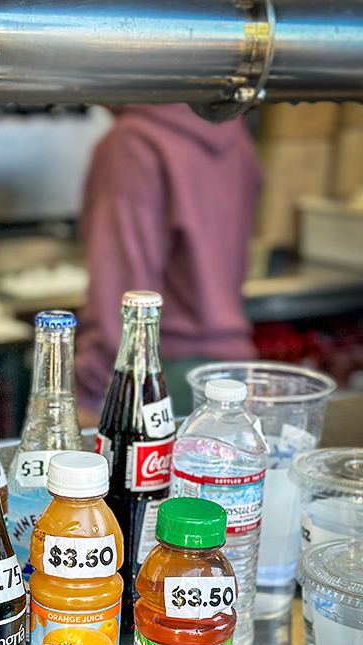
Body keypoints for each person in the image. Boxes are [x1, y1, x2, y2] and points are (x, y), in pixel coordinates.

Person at [75, 103, 263, 423]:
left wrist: (91, 394)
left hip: (158, 382)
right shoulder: (234, 133)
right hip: (233, 375)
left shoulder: (131, 144)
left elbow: (123, 295)